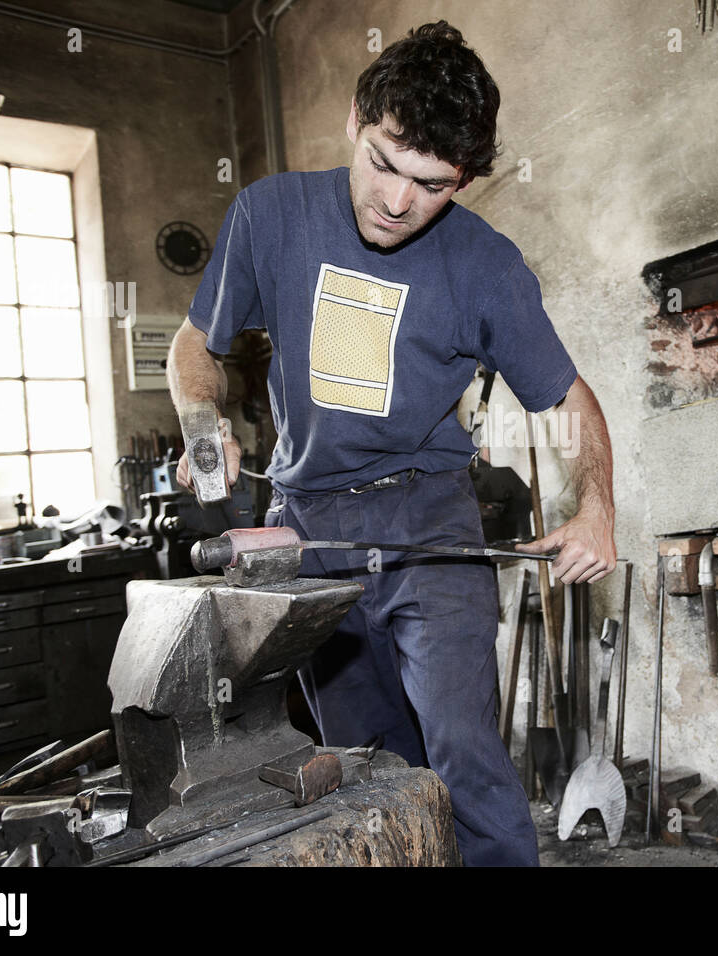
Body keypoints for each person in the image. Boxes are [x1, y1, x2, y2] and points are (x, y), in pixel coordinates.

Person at [166, 21, 615, 867]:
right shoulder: (268, 214)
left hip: (429, 525)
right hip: (308, 531)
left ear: (467, 179)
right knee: (365, 764)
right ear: (353, 119)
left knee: (462, 751)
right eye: (383, 163)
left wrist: (595, 505)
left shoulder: (486, 265)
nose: (398, 201)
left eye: (433, 184)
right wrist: (201, 421)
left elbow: (568, 397)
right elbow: (196, 344)